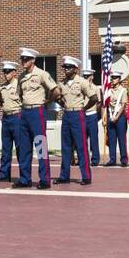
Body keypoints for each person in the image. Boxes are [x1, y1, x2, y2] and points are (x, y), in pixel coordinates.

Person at [16, 48, 59, 189]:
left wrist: (47, 101)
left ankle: (45, 180)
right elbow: (20, 95)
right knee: (24, 148)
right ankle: (24, 179)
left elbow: (56, 90)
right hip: (25, 112)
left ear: (33, 60)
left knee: (40, 146)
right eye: (22, 59)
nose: (24, 61)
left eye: (27, 59)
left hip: (37, 112)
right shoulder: (21, 77)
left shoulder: (42, 74)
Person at [55, 56, 97, 185]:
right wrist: (62, 103)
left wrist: (83, 109)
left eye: (69, 67)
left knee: (81, 146)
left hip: (78, 114)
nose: (66, 69)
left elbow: (94, 98)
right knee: (66, 147)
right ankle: (64, 176)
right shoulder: (61, 83)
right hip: (67, 115)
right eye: (65, 67)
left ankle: (86, 176)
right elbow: (57, 96)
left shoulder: (82, 82)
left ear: (75, 69)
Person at [0, 61, 23, 184]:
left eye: (8, 71)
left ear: (14, 73)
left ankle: (23, 174)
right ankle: (4, 174)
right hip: (6, 118)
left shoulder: (19, 85)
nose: (5, 74)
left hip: (17, 117)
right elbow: (0, 102)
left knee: (20, 148)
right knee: (6, 148)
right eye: (4, 71)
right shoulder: (2, 87)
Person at [103, 68, 129, 166]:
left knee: (122, 139)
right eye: (112, 78)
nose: (112, 80)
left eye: (115, 78)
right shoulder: (108, 90)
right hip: (110, 115)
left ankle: (124, 160)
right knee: (112, 139)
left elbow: (123, 105)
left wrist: (117, 117)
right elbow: (105, 105)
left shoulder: (123, 90)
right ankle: (112, 159)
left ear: (119, 79)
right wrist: (105, 117)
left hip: (120, 117)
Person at [81, 66, 102, 169]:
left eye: (87, 76)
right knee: (82, 139)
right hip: (82, 115)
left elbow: (99, 102)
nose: (85, 78)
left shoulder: (95, 88)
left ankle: (95, 159)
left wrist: (96, 113)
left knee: (93, 139)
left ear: (92, 77)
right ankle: (84, 159)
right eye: (84, 76)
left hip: (91, 115)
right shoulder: (81, 86)